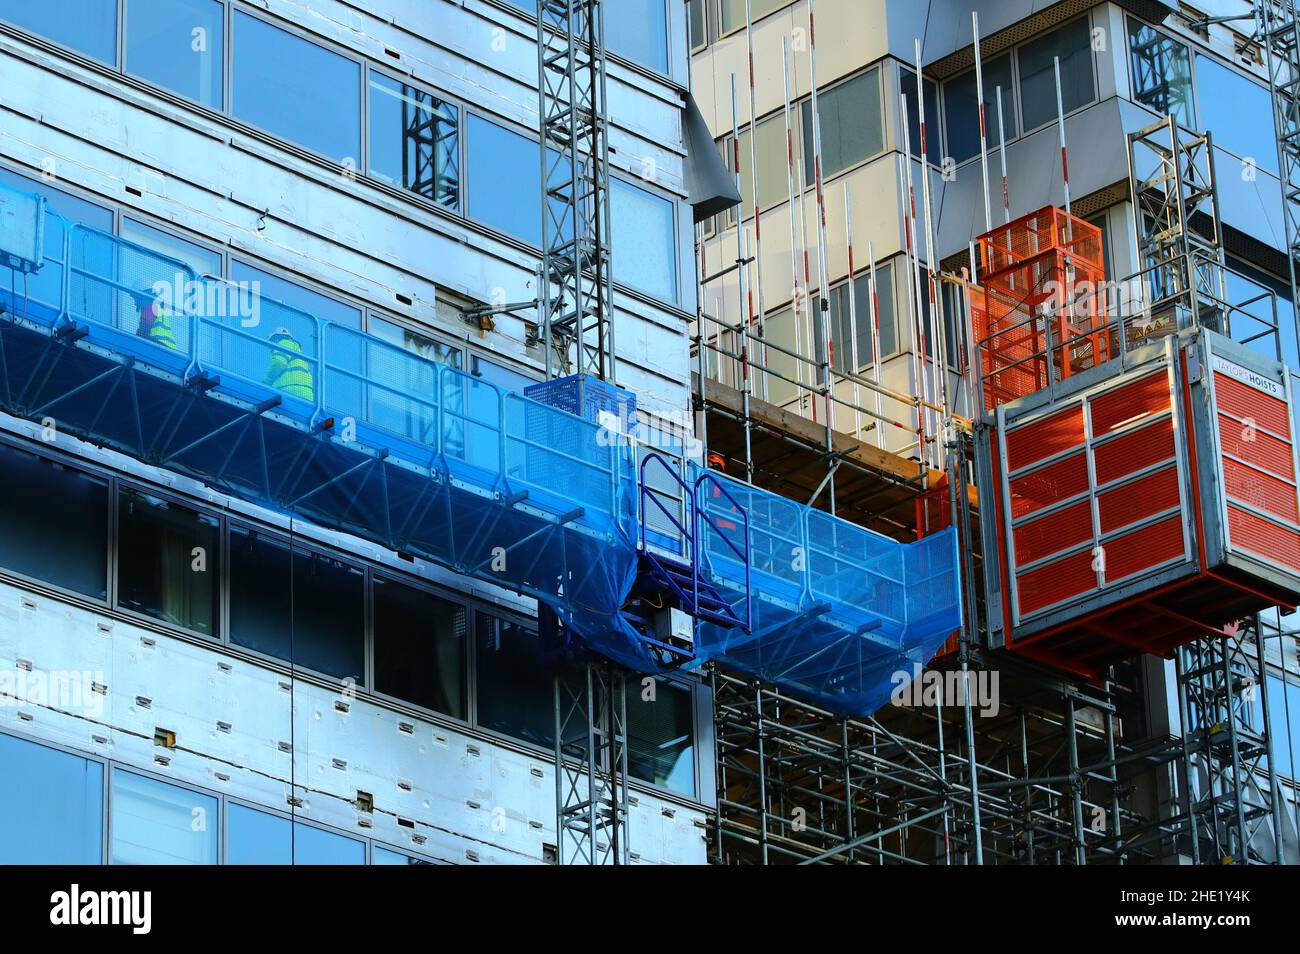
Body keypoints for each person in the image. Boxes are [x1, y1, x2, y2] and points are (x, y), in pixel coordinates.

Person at [264, 326, 314, 401]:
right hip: (307, 395)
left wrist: (266, 381)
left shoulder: (284, 343)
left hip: (288, 389)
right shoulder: (300, 356)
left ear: (277, 338)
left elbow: (279, 362)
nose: (272, 347)